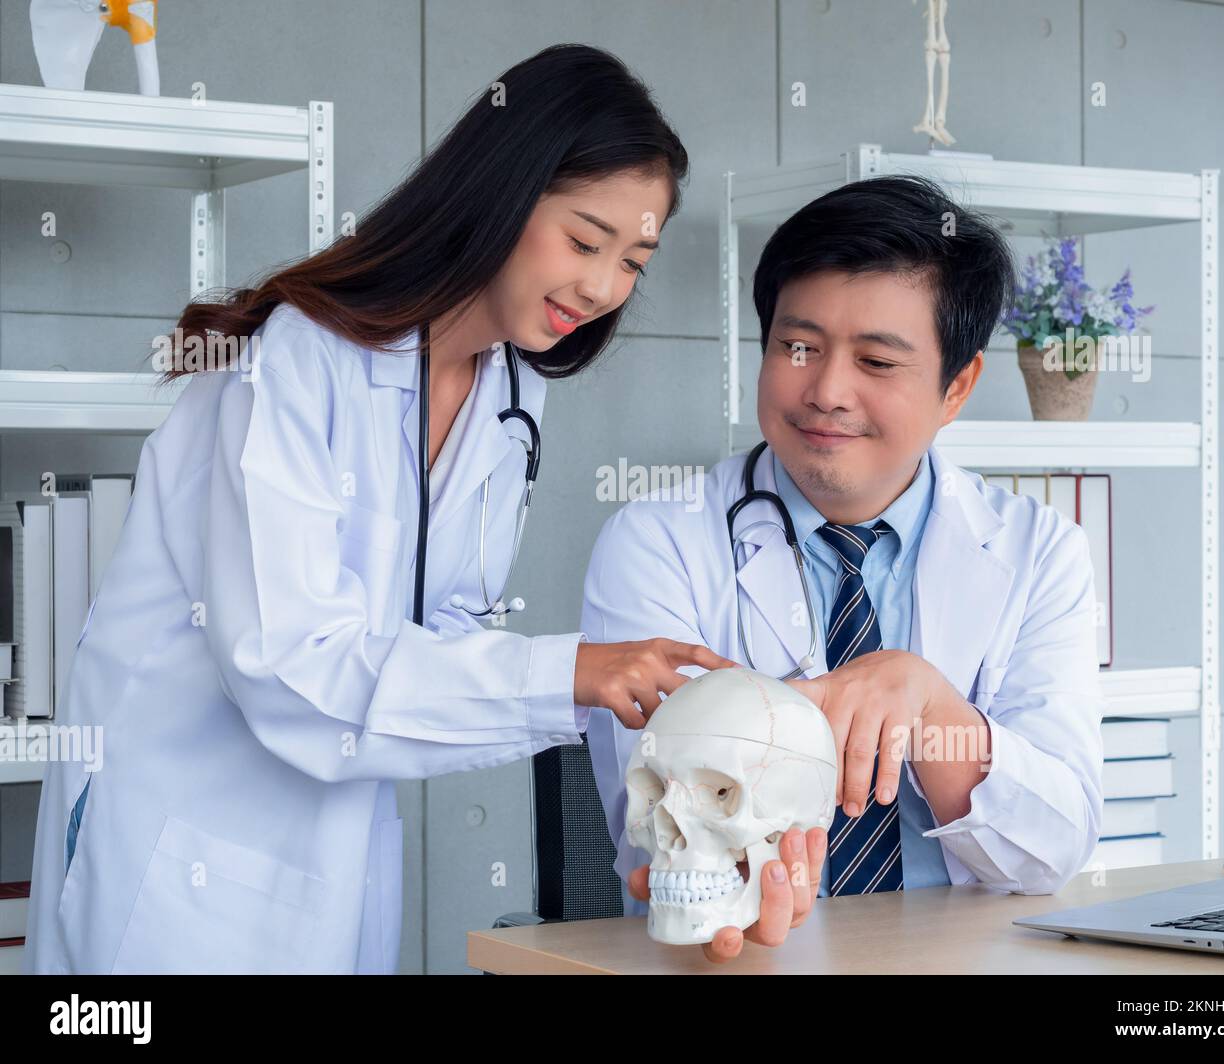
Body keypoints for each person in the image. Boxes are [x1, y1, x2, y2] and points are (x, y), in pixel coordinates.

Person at [23, 43, 731, 975]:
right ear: (499, 192)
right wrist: (571, 675)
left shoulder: (509, 394)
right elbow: (291, 665)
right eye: (584, 240)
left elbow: (437, 642)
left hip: (338, 855)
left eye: (633, 260)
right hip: (174, 856)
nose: (603, 289)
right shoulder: (291, 362)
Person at [583, 175, 1104, 963]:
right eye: (799, 347)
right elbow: (670, 821)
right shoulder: (658, 541)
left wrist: (929, 705)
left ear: (957, 386)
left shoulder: (1039, 552)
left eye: (876, 361)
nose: (826, 390)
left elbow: (1053, 847)